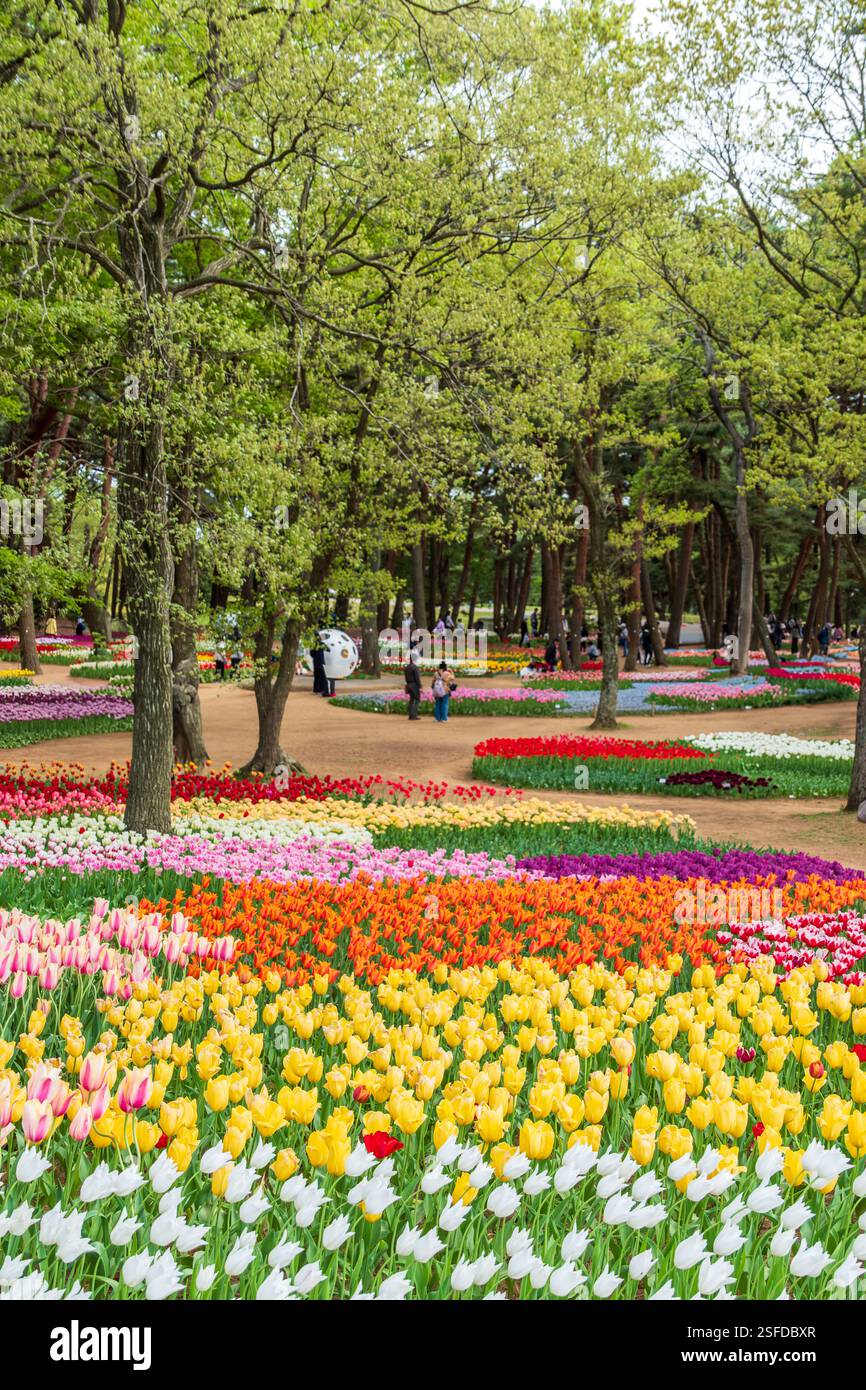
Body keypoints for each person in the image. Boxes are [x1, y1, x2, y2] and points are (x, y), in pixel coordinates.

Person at [404, 650, 421, 719]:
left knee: (411, 700)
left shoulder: (407, 667)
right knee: (416, 699)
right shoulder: (415, 667)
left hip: (408, 684)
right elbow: (417, 678)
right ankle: (414, 714)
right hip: (414, 685)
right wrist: (420, 685)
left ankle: (410, 714)